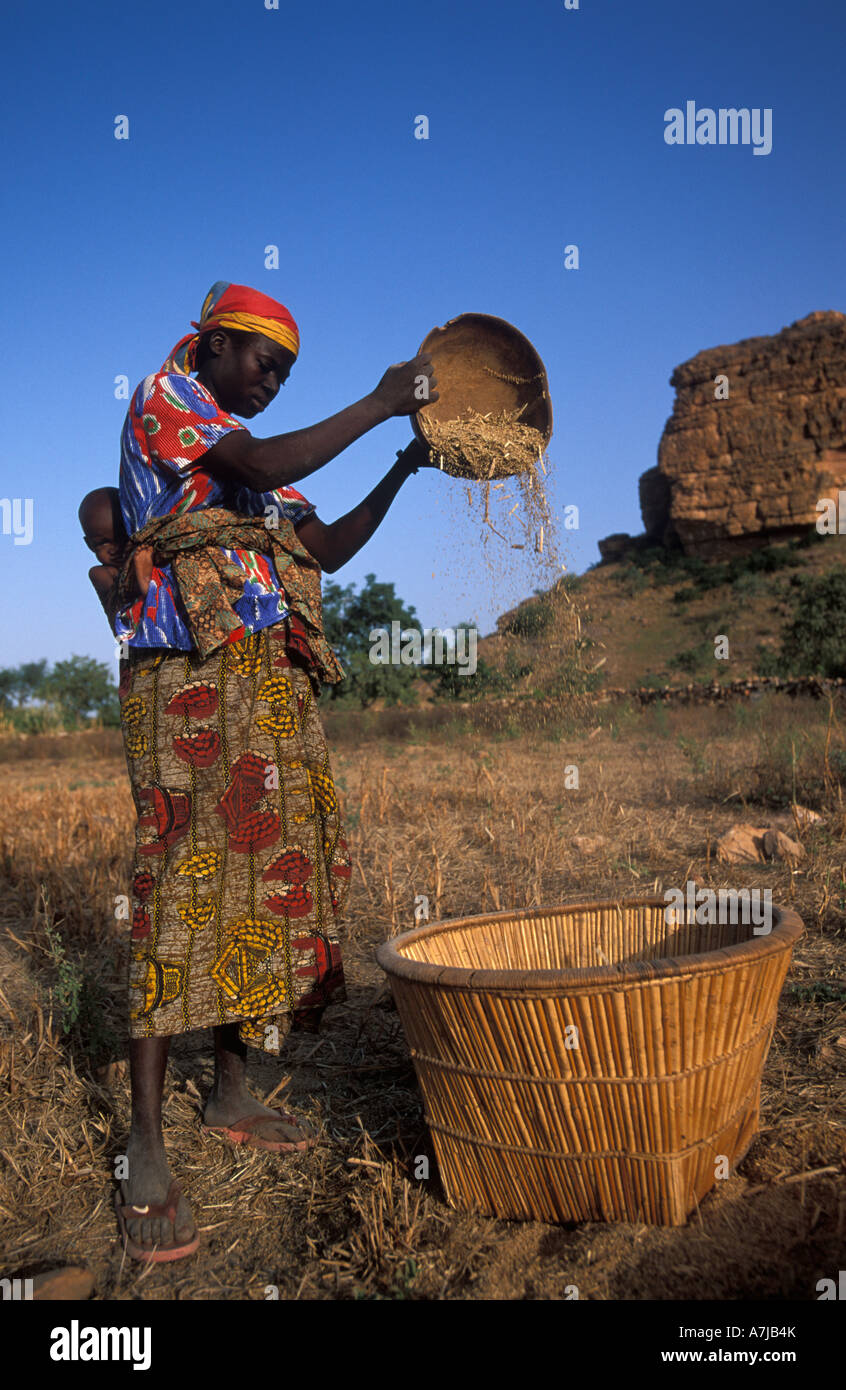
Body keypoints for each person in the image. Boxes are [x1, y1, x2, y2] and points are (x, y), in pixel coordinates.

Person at [95, 280, 439, 1262]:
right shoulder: (173, 404)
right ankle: (145, 1146)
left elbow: (321, 545)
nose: (272, 382)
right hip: (186, 680)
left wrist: (404, 462)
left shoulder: (258, 489)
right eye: (262, 362)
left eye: (285, 372)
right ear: (212, 347)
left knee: (258, 890)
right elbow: (253, 452)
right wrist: (377, 403)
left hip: (268, 682)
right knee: (175, 895)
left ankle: (232, 1089)